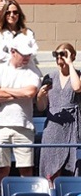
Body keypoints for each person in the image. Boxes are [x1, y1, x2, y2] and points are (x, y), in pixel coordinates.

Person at [0, 33, 40, 179]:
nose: (27, 57)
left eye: (29, 54)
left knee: (26, 170)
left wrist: (4, 90)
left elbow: (30, 92)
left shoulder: (33, 70)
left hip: (24, 126)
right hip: (0, 125)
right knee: (1, 169)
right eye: (24, 54)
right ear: (13, 52)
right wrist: (18, 93)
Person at [36, 44, 80, 181]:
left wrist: (70, 64)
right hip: (53, 125)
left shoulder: (77, 74)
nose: (59, 57)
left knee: (73, 164)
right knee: (51, 164)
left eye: (63, 54)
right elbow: (41, 107)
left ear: (72, 56)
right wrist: (40, 96)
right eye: (57, 54)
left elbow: (77, 87)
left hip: (73, 125)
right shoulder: (50, 77)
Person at [0, 0, 34, 70]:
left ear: (19, 14)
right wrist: (18, 58)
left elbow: (33, 53)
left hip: (23, 69)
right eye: (8, 12)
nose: (12, 15)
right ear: (4, 15)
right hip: (2, 69)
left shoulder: (28, 33)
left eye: (15, 12)